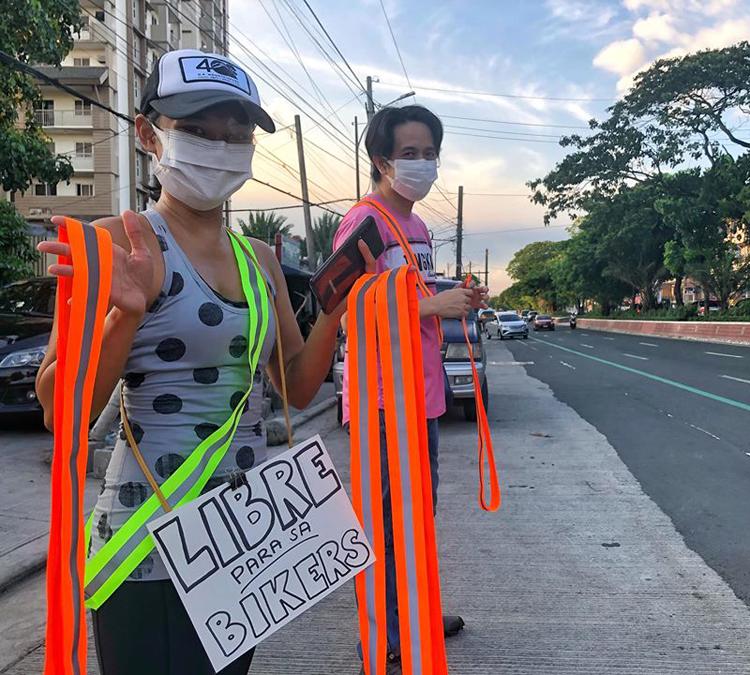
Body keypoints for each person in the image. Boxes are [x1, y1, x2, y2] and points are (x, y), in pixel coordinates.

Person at [36, 49, 372, 675]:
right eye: (195, 131)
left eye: (235, 134)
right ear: (147, 133)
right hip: (147, 538)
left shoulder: (261, 261)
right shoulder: (110, 242)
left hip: (242, 543)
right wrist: (125, 315)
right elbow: (61, 412)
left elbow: (297, 389)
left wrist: (335, 309)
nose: (218, 147)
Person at [333, 104, 488, 674]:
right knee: (385, 523)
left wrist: (454, 298)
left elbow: (406, 295)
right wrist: (432, 305)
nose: (422, 164)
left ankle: (416, 613)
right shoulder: (364, 222)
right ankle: (383, 634)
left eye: (429, 154)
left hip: (418, 395)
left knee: (418, 513)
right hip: (380, 402)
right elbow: (348, 312)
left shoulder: (417, 227)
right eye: (410, 154)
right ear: (381, 160)